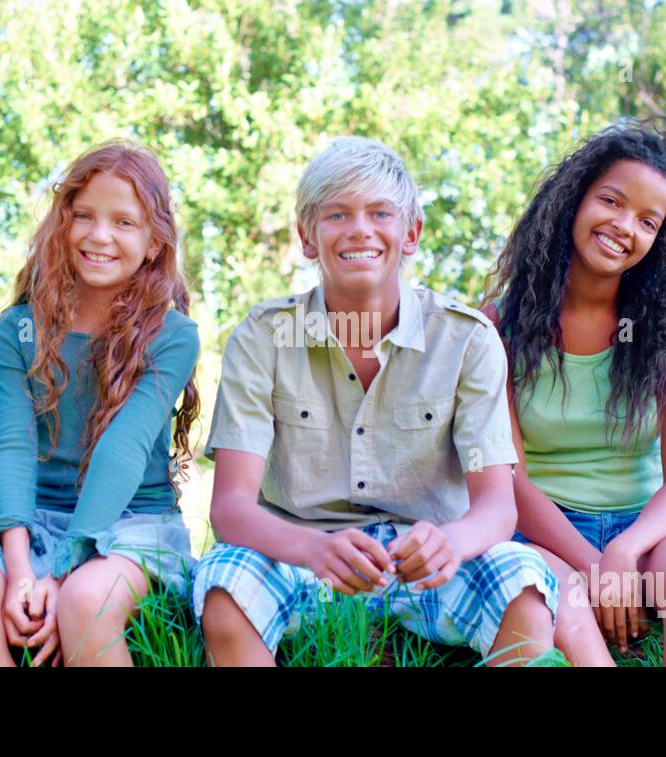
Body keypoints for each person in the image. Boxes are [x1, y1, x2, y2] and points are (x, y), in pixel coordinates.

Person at [193, 136, 558, 667]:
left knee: (523, 584)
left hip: (426, 560)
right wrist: (311, 549)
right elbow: (230, 507)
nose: (359, 229)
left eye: (379, 213)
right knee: (225, 588)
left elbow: (498, 507)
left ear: (410, 234)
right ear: (307, 237)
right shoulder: (263, 336)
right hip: (301, 551)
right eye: (337, 214)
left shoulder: (466, 340)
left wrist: (453, 542)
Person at [0, 141, 200, 667]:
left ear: (153, 242)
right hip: (31, 522)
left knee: (84, 601)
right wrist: (20, 572)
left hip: (130, 524)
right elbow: (10, 447)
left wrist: (62, 573)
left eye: (124, 222)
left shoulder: (171, 336)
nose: (100, 235)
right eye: (84, 216)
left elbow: (121, 453)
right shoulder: (18, 330)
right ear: (63, 224)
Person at [483, 119, 666, 666]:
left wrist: (624, 550)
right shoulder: (496, 328)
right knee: (559, 589)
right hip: (541, 538)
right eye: (612, 201)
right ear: (575, 199)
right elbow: (510, 481)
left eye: (648, 221)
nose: (625, 227)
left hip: (641, 539)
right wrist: (590, 565)